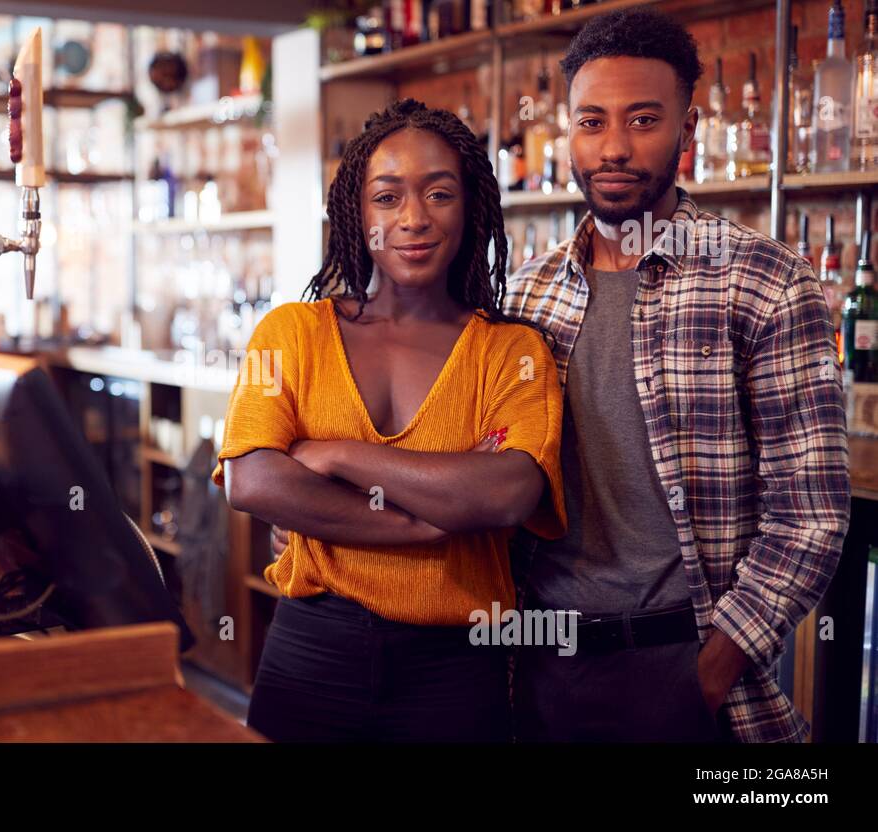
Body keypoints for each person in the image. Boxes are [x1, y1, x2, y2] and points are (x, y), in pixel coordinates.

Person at [503, 8, 850, 742]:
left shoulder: (767, 283)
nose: (614, 148)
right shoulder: (526, 294)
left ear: (688, 130)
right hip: (538, 668)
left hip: (687, 670)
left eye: (644, 120)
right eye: (591, 122)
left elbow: (811, 515)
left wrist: (707, 674)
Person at [212, 99, 566, 742]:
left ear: (471, 208)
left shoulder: (512, 352)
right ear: (357, 211)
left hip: (457, 672)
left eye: (439, 194)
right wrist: (423, 521)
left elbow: (509, 490)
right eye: (387, 197)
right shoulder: (288, 334)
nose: (413, 219)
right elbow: (253, 480)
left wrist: (337, 456)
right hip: (311, 654)